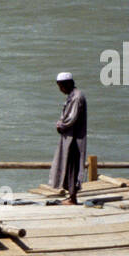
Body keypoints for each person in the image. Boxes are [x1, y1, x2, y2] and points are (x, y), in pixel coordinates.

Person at [47, 71, 87, 205]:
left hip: (74, 138)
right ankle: (71, 195)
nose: (60, 89)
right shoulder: (73, 95)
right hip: (70, 137)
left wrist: (60, 126)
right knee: (69, 165)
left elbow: (71, 118)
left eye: (61, 86)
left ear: (67, 84)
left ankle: (73, 198)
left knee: (72, 166)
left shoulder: (76, 97)